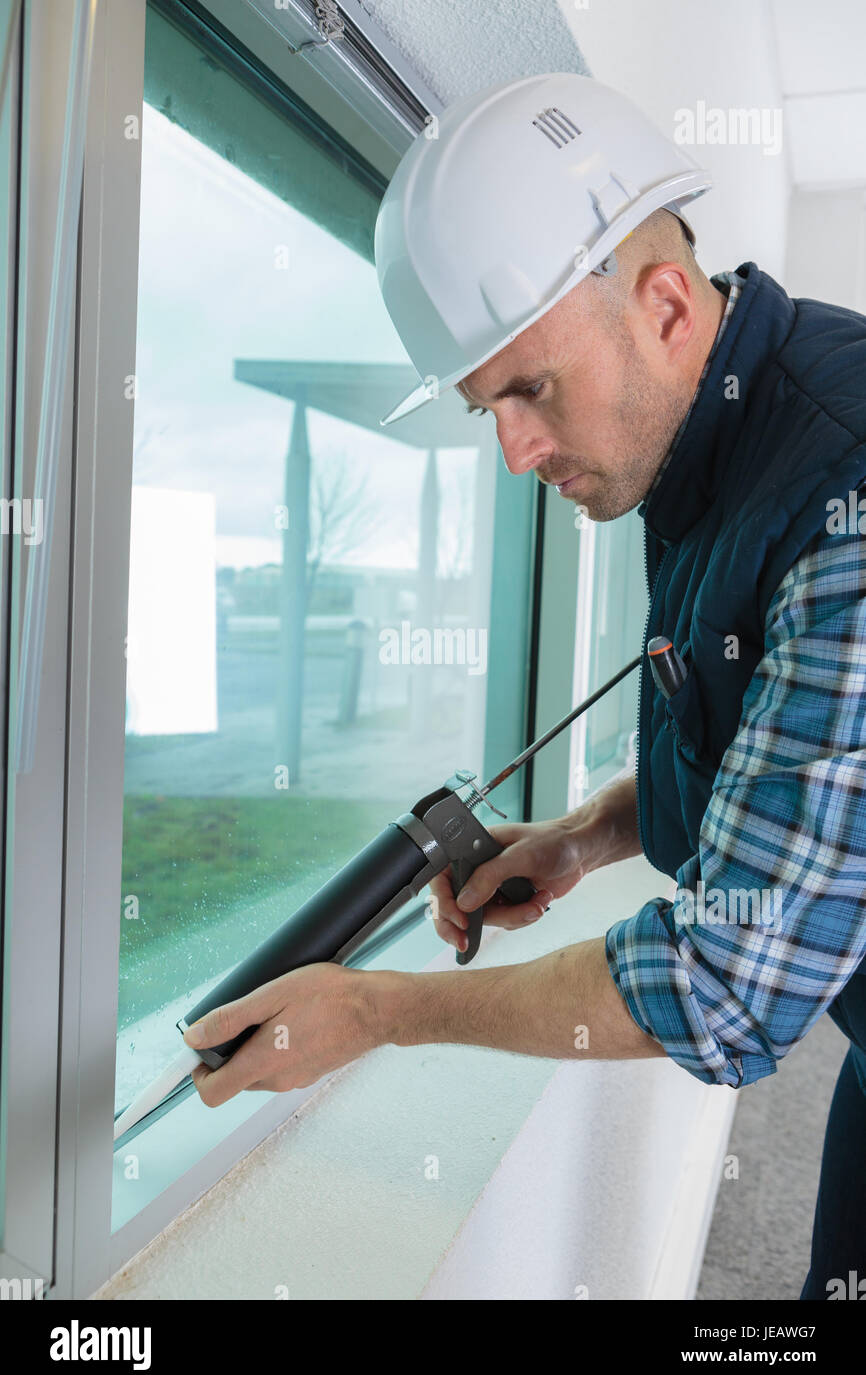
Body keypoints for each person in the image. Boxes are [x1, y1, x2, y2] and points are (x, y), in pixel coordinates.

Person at [183, 75, 866, 1300]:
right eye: (485, 401)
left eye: (528, 389)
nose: (511, 451)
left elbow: (726, 992)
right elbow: (755, 728)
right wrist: (576, 837)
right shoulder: (713, 449)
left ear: (663, 305)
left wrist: (377, 1013)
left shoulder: (845, 491)